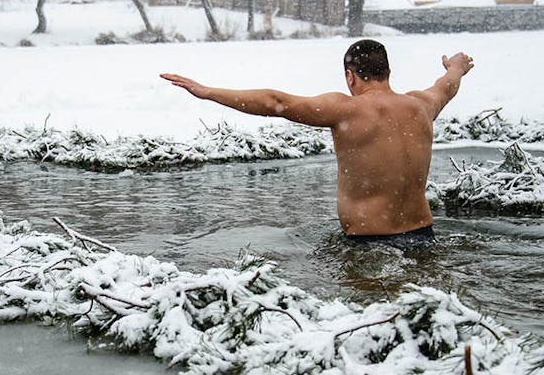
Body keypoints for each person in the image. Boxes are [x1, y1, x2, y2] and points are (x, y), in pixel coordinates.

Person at [161, 39, 474, 243]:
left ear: (350, 76)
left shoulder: (346, 109)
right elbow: (447, 85)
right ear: (388, 72)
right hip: (423, 237)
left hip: (368, 244)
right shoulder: (422, 106)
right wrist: (456, 67)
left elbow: (274, 102)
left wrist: (208, 92)